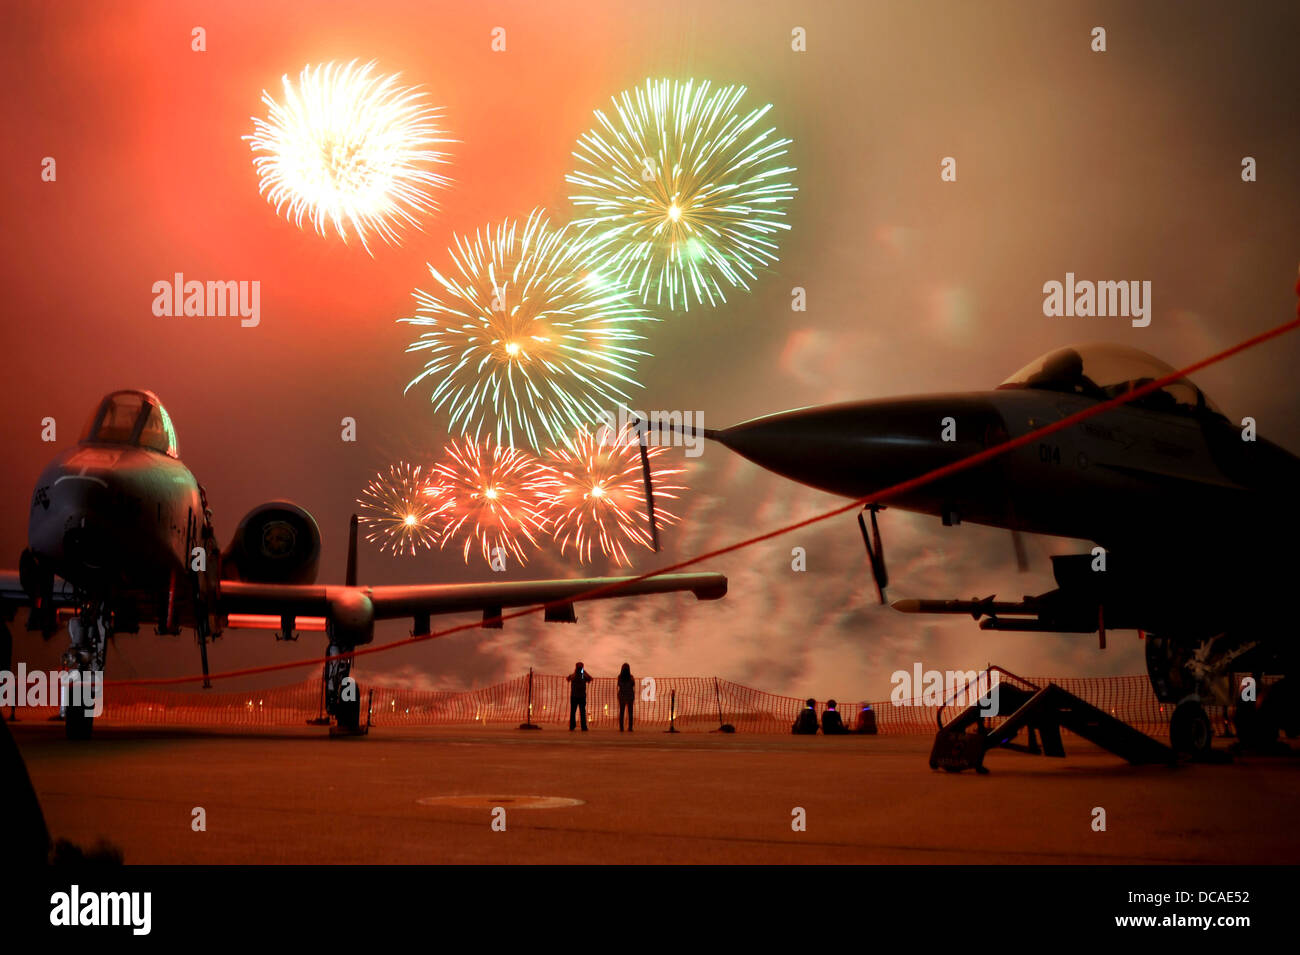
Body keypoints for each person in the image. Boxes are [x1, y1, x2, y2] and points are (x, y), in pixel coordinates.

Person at [566, 662, 593, 731]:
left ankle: (572, 726)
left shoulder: (574, 675)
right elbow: (590, 678)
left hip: (574, 696)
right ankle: (583, 727)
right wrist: (584, 672)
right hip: (582, 696)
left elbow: (568, 678)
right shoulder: (583, 675)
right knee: (582, 712)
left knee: (573, 712)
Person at [616, 662, 635, 732]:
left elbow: (619, 685)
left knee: (622, 712)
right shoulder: (631, 677)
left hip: (622, 696)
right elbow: (633, 684)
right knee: (630, 713)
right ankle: (630, 728)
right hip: (630, 696)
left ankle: (621, 728)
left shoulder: (620, 677)